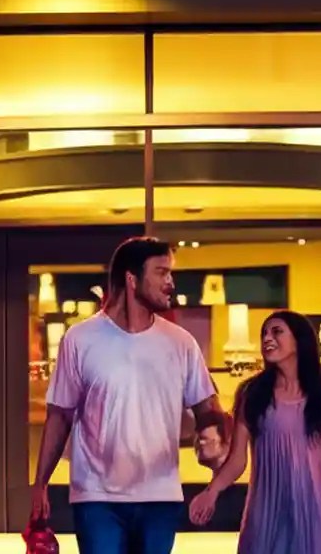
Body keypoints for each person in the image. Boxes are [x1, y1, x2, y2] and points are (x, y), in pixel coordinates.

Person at [29, 237, 226, 554]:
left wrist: (213, 431)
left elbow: (207, 405)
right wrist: (41, 483)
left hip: (160, 496)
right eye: (161, 273)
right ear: (131, 279)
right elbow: (60, 414)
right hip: (96, 498)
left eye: (170, 273)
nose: (170, 283)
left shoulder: (180, 342)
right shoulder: (80, 339)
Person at [188, 310, 321, 554]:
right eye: (264, 334)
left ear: (299, 341)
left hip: (315, 513)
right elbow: (237, 460)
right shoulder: (253, 394)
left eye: (277, 331)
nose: (267, 338)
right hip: (266, 512)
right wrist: (211, 492)